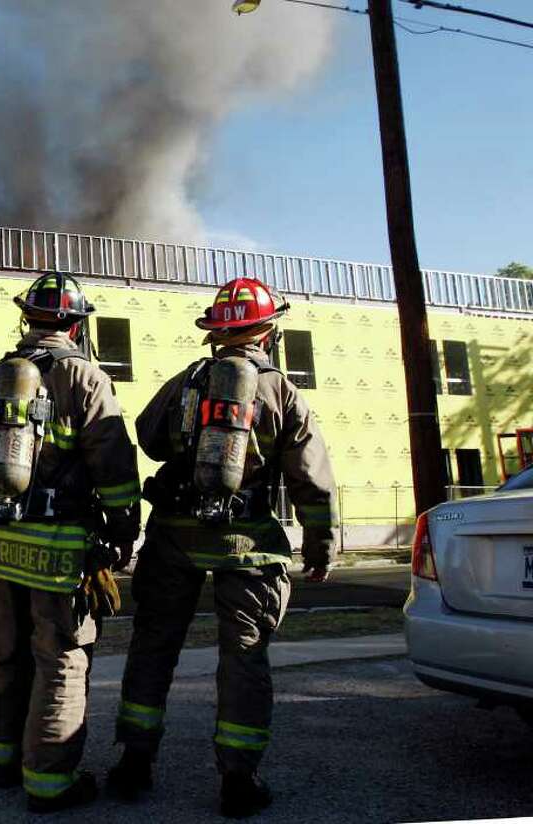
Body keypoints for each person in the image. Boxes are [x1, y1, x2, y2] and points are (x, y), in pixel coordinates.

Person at [109, 277, 337, 818]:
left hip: (174, 538)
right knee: (244, 656)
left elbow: (147, 436)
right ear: (267, 330)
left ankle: (134, 762)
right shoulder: (281, 390)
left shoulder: (188, 380)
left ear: (216, 333)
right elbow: (313, 479)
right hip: (249, 545)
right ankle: (238, 778)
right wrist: (320, 544)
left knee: (154, 647)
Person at [0, 272, 141, 814]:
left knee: (5, 653)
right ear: (77, 325)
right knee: (60, 660)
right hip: (58, 551)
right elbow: (114, 465)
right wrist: (125, 528)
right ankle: (50, 782)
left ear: (27, 320)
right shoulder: (86, 377)